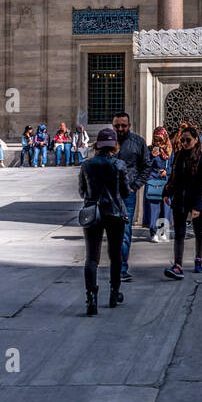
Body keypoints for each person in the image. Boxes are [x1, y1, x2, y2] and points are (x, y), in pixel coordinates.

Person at [77, 125, 133, 315]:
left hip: (93, 212)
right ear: (114, 145)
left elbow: (82, 191)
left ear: (97, 146)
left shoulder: (86, 165)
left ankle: (91, 298)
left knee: (92, 258)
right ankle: (114, 293)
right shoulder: (119, 165)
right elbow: (125, 192)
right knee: (115, 255)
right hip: (115, 213)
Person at [164, 124, 202, 280]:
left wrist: (197, 206)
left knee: (198, 231)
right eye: (182, 140)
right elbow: (174, 177)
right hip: (180, 200)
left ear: (196, 140)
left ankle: (198, 258)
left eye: (188, 140)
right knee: (179, 233)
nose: (184, 143)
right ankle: (177, 265)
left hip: (196, 201)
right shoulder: (178, 155)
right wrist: (167, 192)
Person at [112, 112, 152, 280]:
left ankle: (121, 269)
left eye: (123, 125)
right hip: (108, 194)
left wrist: (135, 186)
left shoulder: (137, 143)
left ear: (129, 126)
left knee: (125, 231)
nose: (120, 129)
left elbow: (147, 165)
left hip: (127, 193)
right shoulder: (107, 142)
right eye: (117, 126)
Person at [143, 126, 174, 242]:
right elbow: (146, 166)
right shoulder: (150, 150)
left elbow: (173, 165)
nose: (158, 143)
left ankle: (163, 231)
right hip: (154, 183)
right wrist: (152, 156)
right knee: (153, 208)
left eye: (160, 140)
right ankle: (153, 232)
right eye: (156, 140)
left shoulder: (170, 151)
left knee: (166, 208)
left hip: (166, 183)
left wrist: (167, 172)